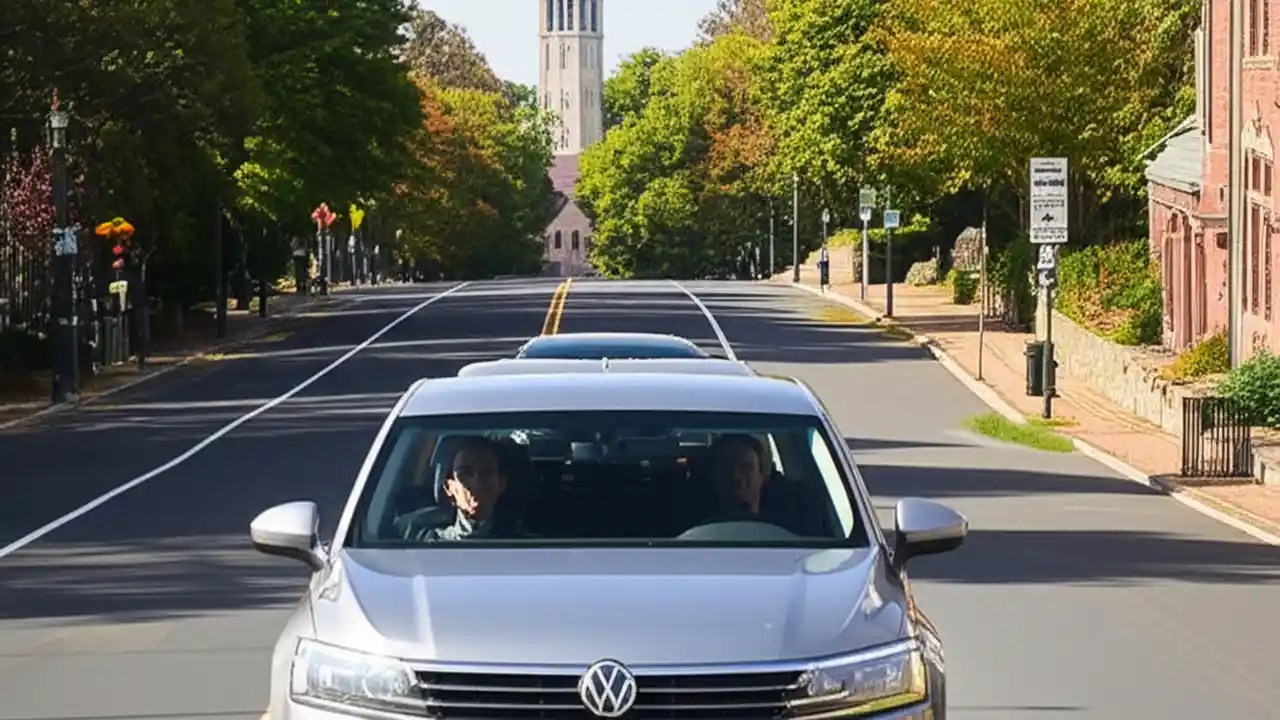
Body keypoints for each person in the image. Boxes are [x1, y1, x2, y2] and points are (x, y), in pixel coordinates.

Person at [416, 436, 513, 541]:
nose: (477, 483)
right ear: (449, 487)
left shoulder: (520, 544)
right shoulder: (427, 541)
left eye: (486, 473)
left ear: (501, 483)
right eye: (465, 473)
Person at [703, 434, 804, 533]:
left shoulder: (789, 532)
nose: (736, 476)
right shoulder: (697, 532)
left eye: (746, 468)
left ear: (763, 474)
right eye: (726, 468)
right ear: (713, 475)